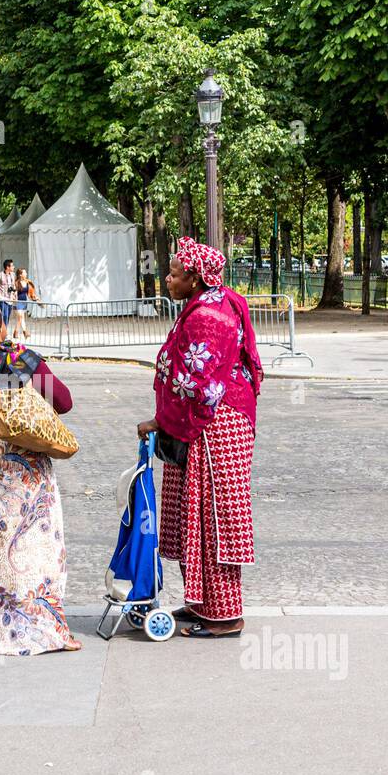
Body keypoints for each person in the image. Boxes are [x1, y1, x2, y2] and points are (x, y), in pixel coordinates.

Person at [136, 237, 261, 639]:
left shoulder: (209, 316)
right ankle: (201, 603)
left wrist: (161, 420)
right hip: (205, 423)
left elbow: (198, 382)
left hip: (214, 424)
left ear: (193, 278)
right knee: (193, 518)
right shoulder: (205, 304)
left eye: (173, 274)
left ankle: (225, 617)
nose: (167, 280)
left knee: (213, 522)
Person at [0, 299, 80, 655]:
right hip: (24, 480)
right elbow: (64, 400)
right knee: (35, 552)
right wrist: (30, 360)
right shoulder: (18, 361)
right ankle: (44, 631)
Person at [13, 268, 40, 341]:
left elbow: (31, 293)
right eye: (24, 273)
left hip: (24, 302)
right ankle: (24, 332)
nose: (26, 274)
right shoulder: (16, 282)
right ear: (20, 274)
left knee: (21, 318)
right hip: (17, 302)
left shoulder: (27, 282)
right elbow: (13, 292)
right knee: (20, 317)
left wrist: (35, 298)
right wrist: (13, 297)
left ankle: (17, 332)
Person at [0, 259, 17, 326]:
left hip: (10, 299)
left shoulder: (13, 275)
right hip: (2, 298)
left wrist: (15, 294)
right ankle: (3, 332)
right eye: (12, 266)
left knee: (8, 316)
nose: (14, 267)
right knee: (5, 315)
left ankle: (4, 330)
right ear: (7, 267)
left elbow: (14, 285)